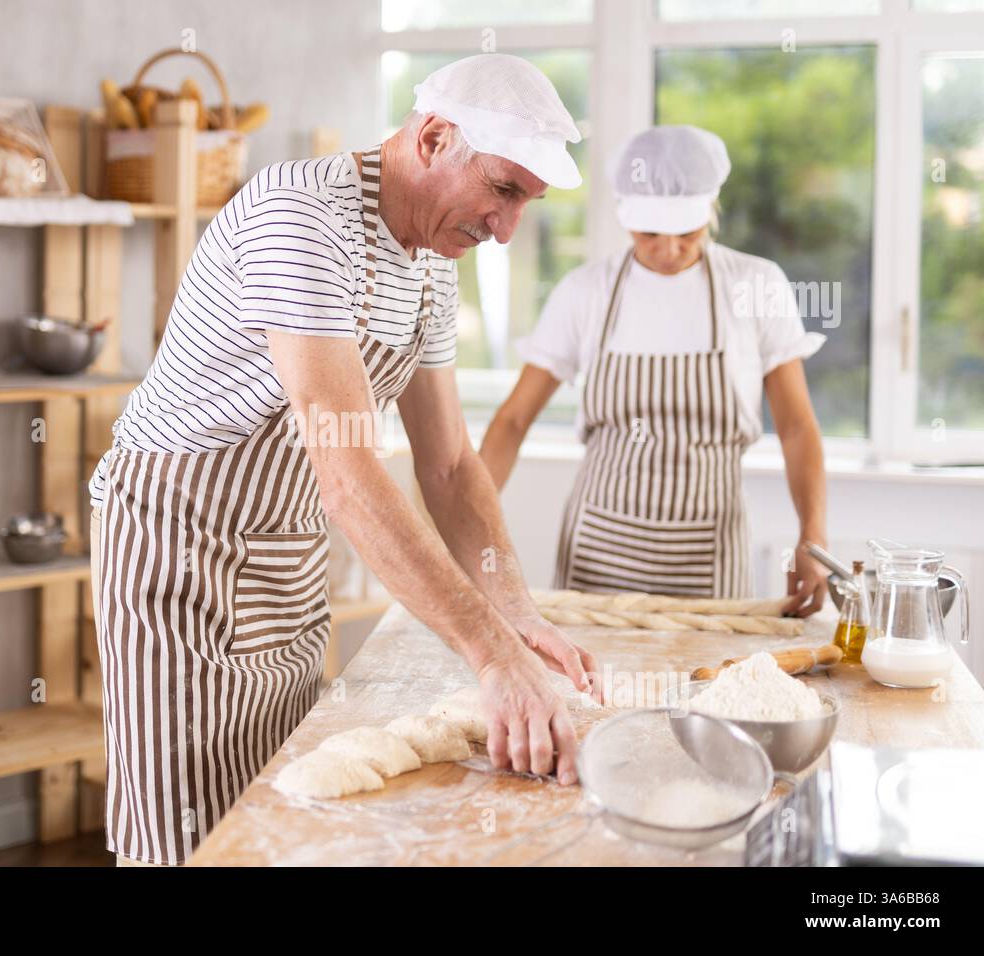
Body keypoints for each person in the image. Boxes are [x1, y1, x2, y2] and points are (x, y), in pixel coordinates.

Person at [87, 55, 602, 865]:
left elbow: (451, 467)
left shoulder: (430, 262)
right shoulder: (303, 218)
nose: (506, 231)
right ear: (434, 138)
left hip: (286, 559)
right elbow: (349, 474)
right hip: (177, 553)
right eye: (503, 192)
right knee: (187, 833)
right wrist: (490, 656)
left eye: (526, 207)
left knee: (284, 812)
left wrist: (516, 613)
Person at [480, 125, 829, 612]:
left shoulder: (755, 285)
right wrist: (468, 533)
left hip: (710, 548)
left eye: (687, 233)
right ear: (625, 219)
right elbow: (512, 421)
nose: (667, 250)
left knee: (711, 683)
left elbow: (796, 426)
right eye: (649, 234)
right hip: (600, 549)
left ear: (710, 213)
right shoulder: (586, 291)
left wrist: (812, 536)